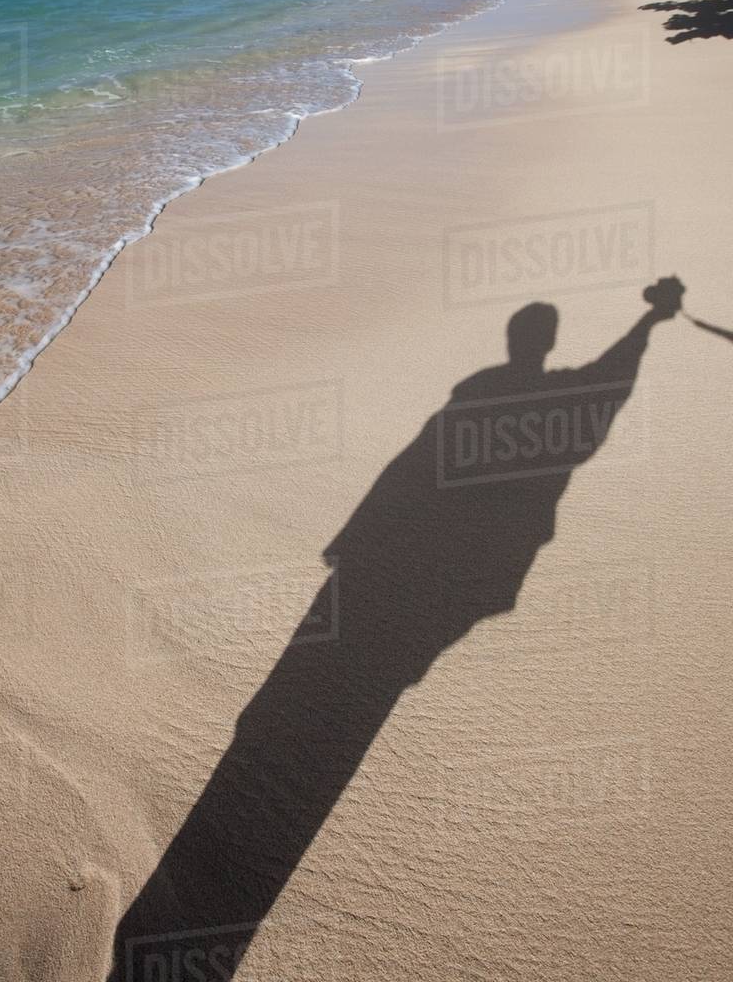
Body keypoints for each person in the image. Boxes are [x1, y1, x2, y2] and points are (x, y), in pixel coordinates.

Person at [113, 276, 684, 982]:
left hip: (398, 582)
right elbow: (610, 384)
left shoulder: (483, 391)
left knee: (297, 715)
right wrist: (651, 320)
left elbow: (410, 474)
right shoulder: (538, 397)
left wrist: (350, 550)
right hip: (434, 593)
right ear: (543, 343)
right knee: (327, 714)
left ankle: (194, 921)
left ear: (520, 342)